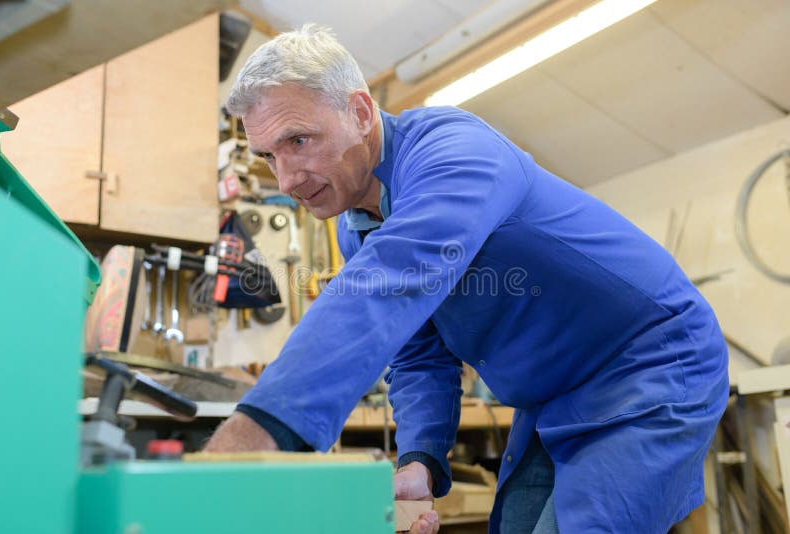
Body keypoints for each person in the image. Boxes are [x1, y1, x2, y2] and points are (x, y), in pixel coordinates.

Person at [205, 24, 729, 534]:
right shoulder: (356, 226)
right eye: (270, 155)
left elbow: (388, 284)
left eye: (299, 140)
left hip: (652, 365)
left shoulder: (453, 153)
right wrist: (420, 460)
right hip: (554, 396)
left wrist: (261, 430)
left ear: (360, 113)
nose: (288, 179)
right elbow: (420, 354)